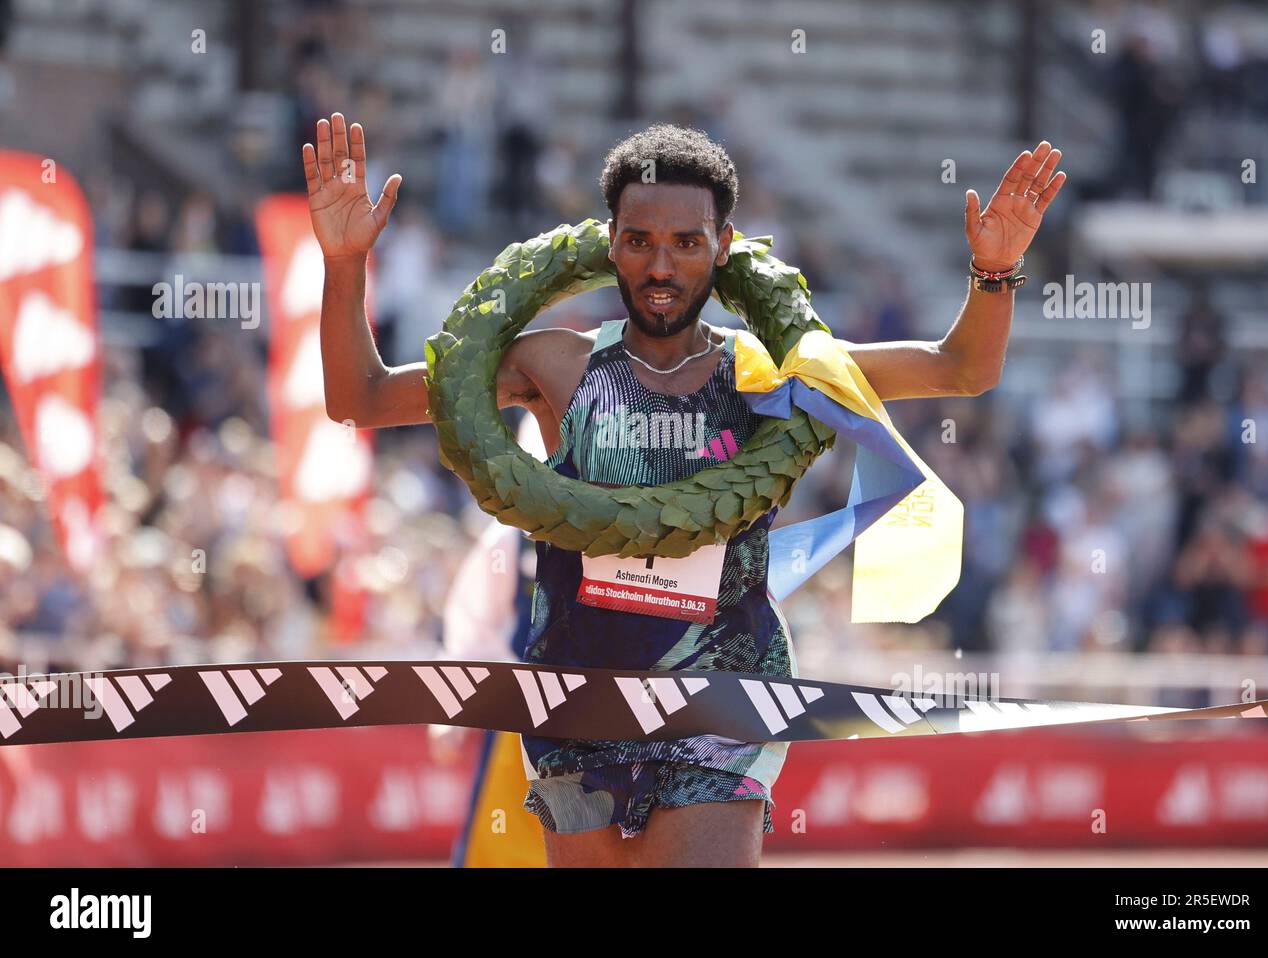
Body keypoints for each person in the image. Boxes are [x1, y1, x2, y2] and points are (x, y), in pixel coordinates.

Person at [302, 113, 1065, 867]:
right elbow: (361, 399)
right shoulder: (557, 367)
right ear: (610, 247)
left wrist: (994, 272)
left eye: (686, 243)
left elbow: (959, 367)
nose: (661, 267)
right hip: (578, 697)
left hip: (723, 701)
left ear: (724, 248)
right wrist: (343, 266)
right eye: (639, 242)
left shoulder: (776, 372)